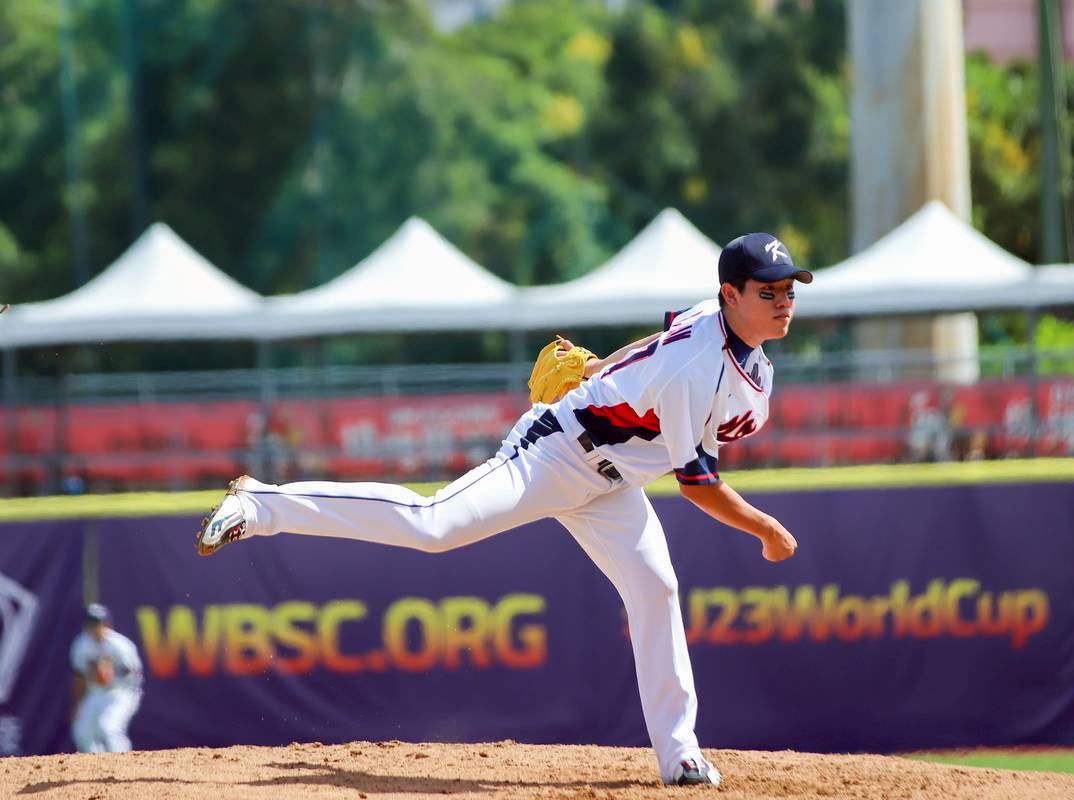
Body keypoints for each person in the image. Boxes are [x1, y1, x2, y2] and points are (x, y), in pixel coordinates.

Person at [197, 232, 812, 786]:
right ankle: (263, 505)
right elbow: (697, 482)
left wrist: (602, 368)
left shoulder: (739, 350)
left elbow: (660, 340)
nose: (783, 300)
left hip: (613, 483)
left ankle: (679, 755)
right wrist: (768, 529)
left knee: (656, 589)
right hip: (556, 455)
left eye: (789, 289)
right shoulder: (697, 362)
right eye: (769, 291)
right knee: (432, 525)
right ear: (731, 294)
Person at [69, 603, 144, 753]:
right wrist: (76, 705)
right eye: (91, 624)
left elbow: (136, 676)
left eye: (97, 623)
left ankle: (124, 767)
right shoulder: (81, 645)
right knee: (81, 731)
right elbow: (79, 677)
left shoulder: (121, 645)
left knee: (108, 728)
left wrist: (113, 676)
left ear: (107, 624)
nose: (94, 628)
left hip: (122, 692)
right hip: (96, 692)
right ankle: (96, 768)